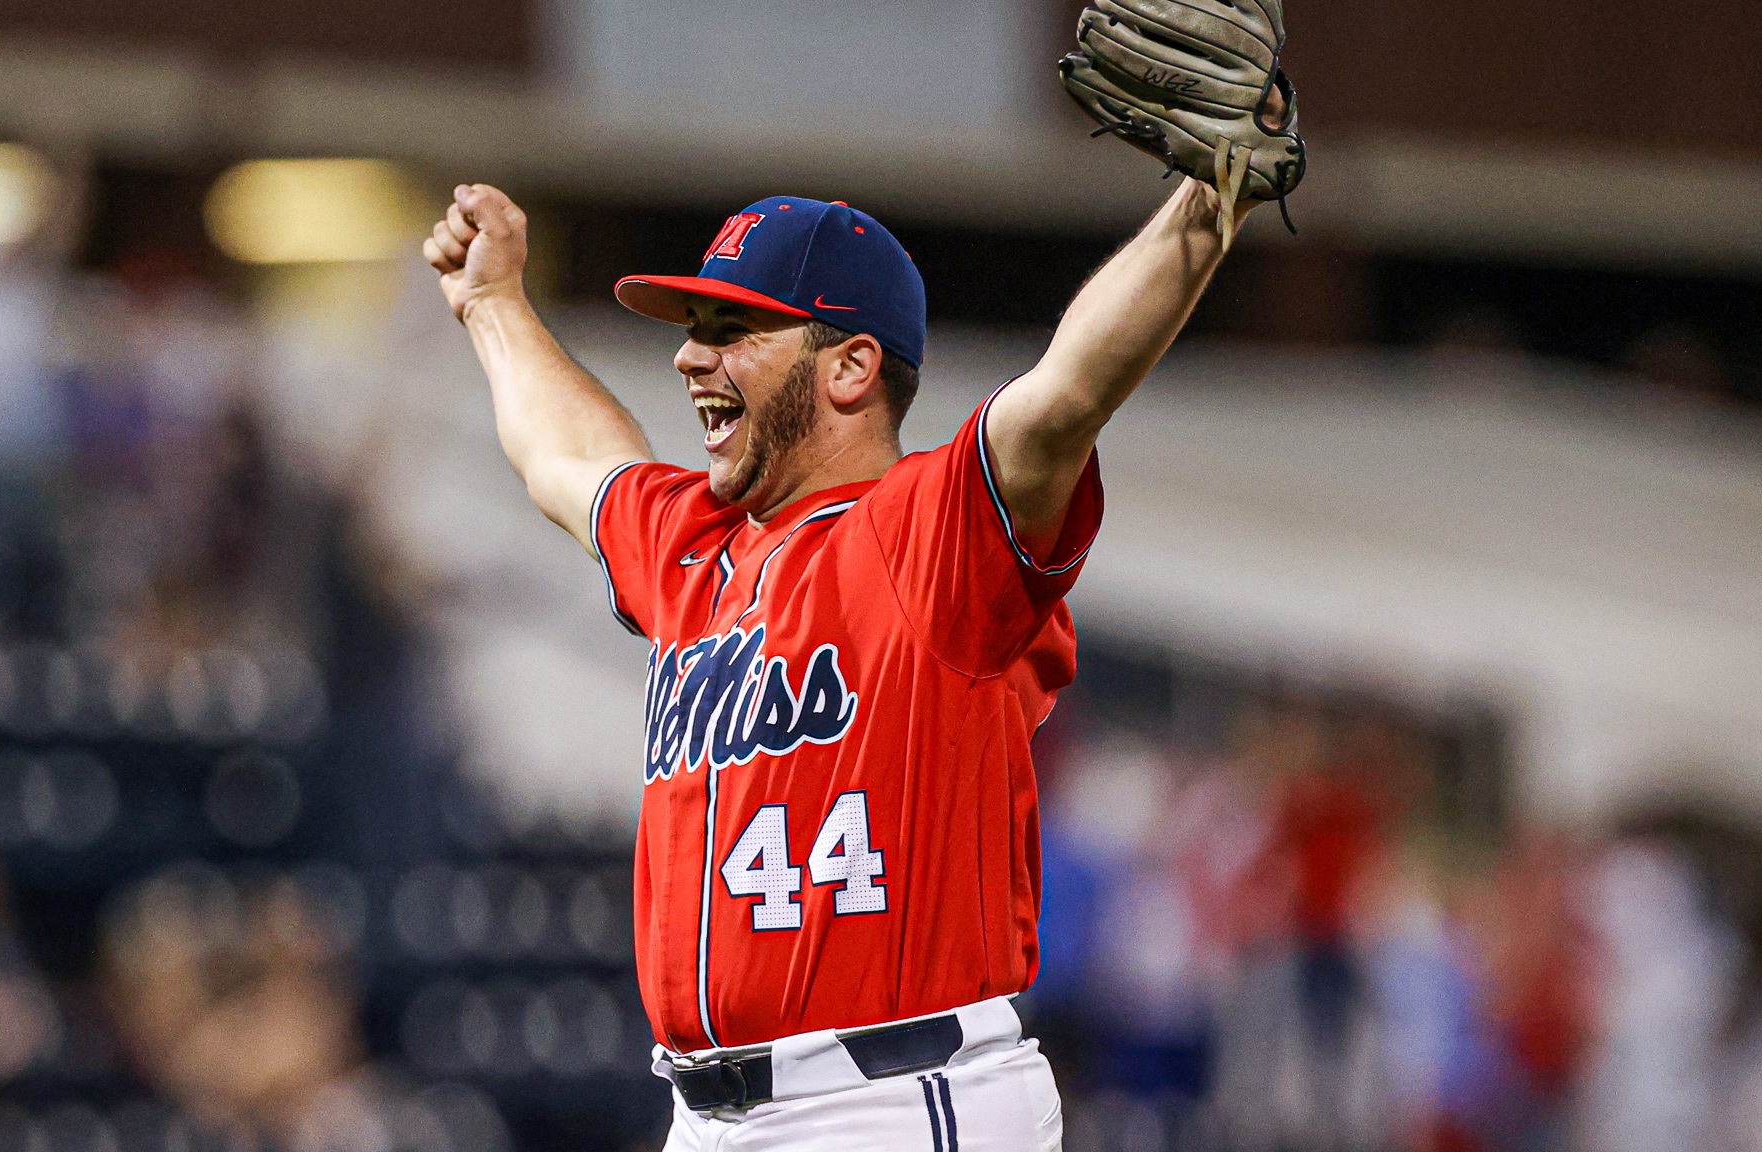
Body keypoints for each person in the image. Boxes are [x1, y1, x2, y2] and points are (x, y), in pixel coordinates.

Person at [423, 175, 1265, 1150]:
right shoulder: (696, 548)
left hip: (892, 1099)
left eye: (733, 328)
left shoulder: (929, 536)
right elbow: (564, 459)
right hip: (706, 1117)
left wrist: (1206, 203)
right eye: (696, 323)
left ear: (850, 367)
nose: (689, 355)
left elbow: (1066, 394)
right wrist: (490, 305)